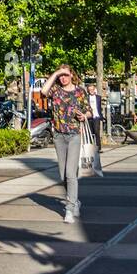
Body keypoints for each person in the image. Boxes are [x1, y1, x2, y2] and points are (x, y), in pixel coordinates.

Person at [41, 64, 91, 223]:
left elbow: (89, 110)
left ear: (72, 75)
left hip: (74, 135)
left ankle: (70, 208)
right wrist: (55, 73)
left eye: (66, 75)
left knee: (70, 173)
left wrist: (85, 116)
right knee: (63, 174)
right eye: (61, 76)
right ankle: (75, 200)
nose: (63, 78)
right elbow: (43, 91)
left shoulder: (80, 91)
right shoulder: (55, 91)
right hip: (58, 136)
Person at [86, 80, 106, 177]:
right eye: (89, 90)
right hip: (90, 117)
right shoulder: (86, 98)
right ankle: (90, 148)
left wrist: (101, 115)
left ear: (95, 90)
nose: (91, 91)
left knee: (97, 132)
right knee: (90, 133)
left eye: (92, 89)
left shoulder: (98, 97)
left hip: (97, 117)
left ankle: (98, 148)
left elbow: (99, 107)